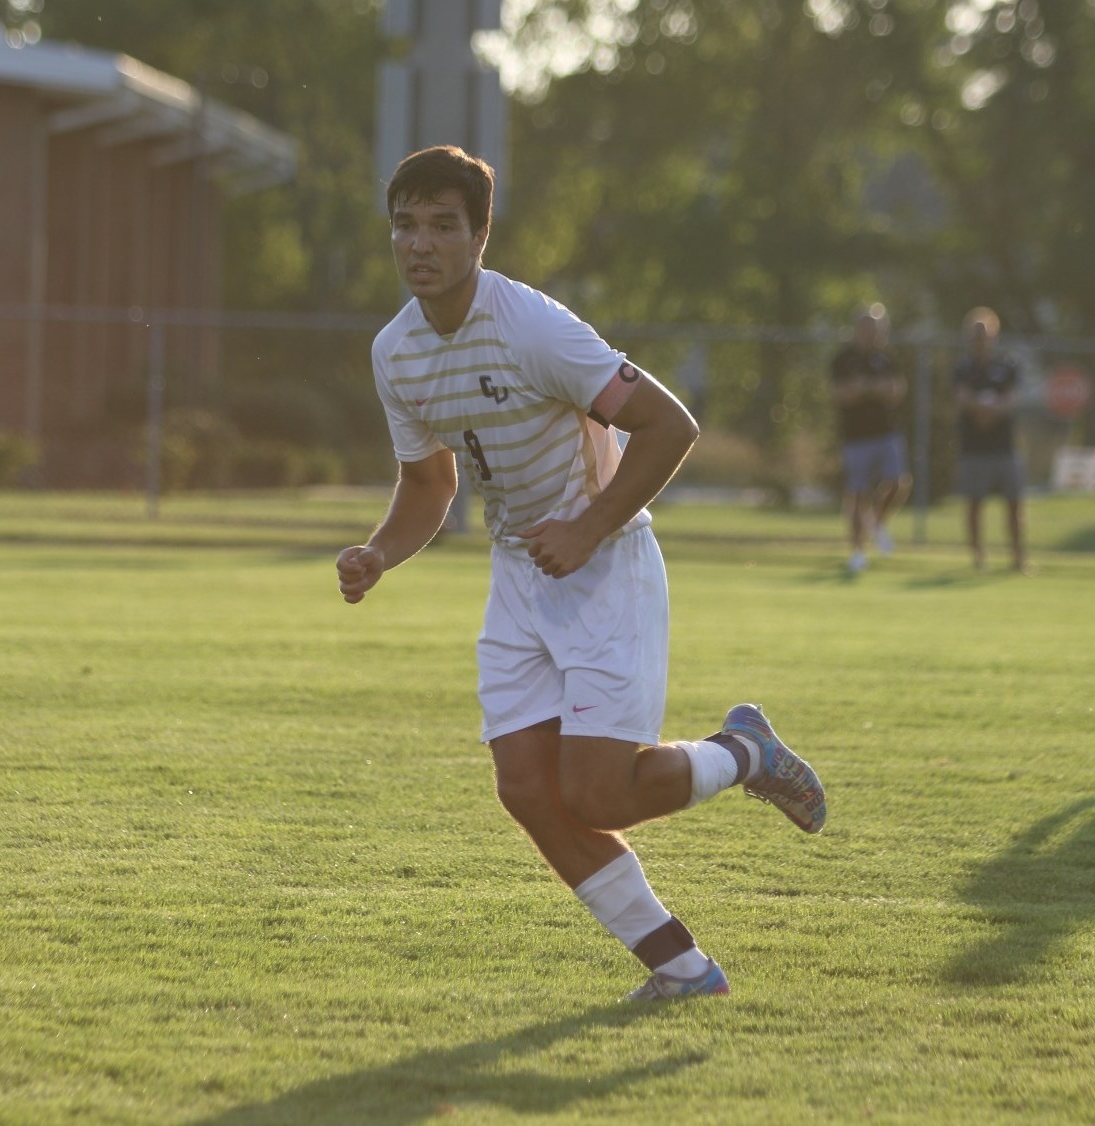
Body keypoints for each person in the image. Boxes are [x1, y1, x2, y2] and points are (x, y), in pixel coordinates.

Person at [335, 146, 828, 1002]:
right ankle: (679, 968)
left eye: (443, 226)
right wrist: (380, 550)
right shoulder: (395, 352)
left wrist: (589, 524)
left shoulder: (534, 328)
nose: (421, 244)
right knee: (528, 788)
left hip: (607, 568)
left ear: (481, 236)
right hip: (520, 577)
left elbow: (671, 424)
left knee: (597, 793)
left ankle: (745, 753)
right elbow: (428, 484)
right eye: (405, 225)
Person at [828, 304, 910, 573]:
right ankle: (857, 551)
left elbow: (896, 391)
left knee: (899, 483)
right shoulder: (844, 358)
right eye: (866, 328)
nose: (871, 333)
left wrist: (867, 388)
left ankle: (876, 522)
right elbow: (842, 394)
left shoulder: (886, 357)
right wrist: (869, 389)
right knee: (858, 493)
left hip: (886, 432)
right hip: (855, 436)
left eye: (875, 329)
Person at [953, 307, 1028, 572]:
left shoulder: (1007, 366)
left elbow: (1011, 401)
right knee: (974, 505)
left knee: (1014, 504)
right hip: (974, 448)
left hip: (1004, 447)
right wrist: (982, 410)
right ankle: (978, 559)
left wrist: (991, 411)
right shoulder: (963, 368)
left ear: (994, 335)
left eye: (984, 334)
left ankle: (1019, 559)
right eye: (974, 335)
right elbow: (962, 399)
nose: (979, 340)